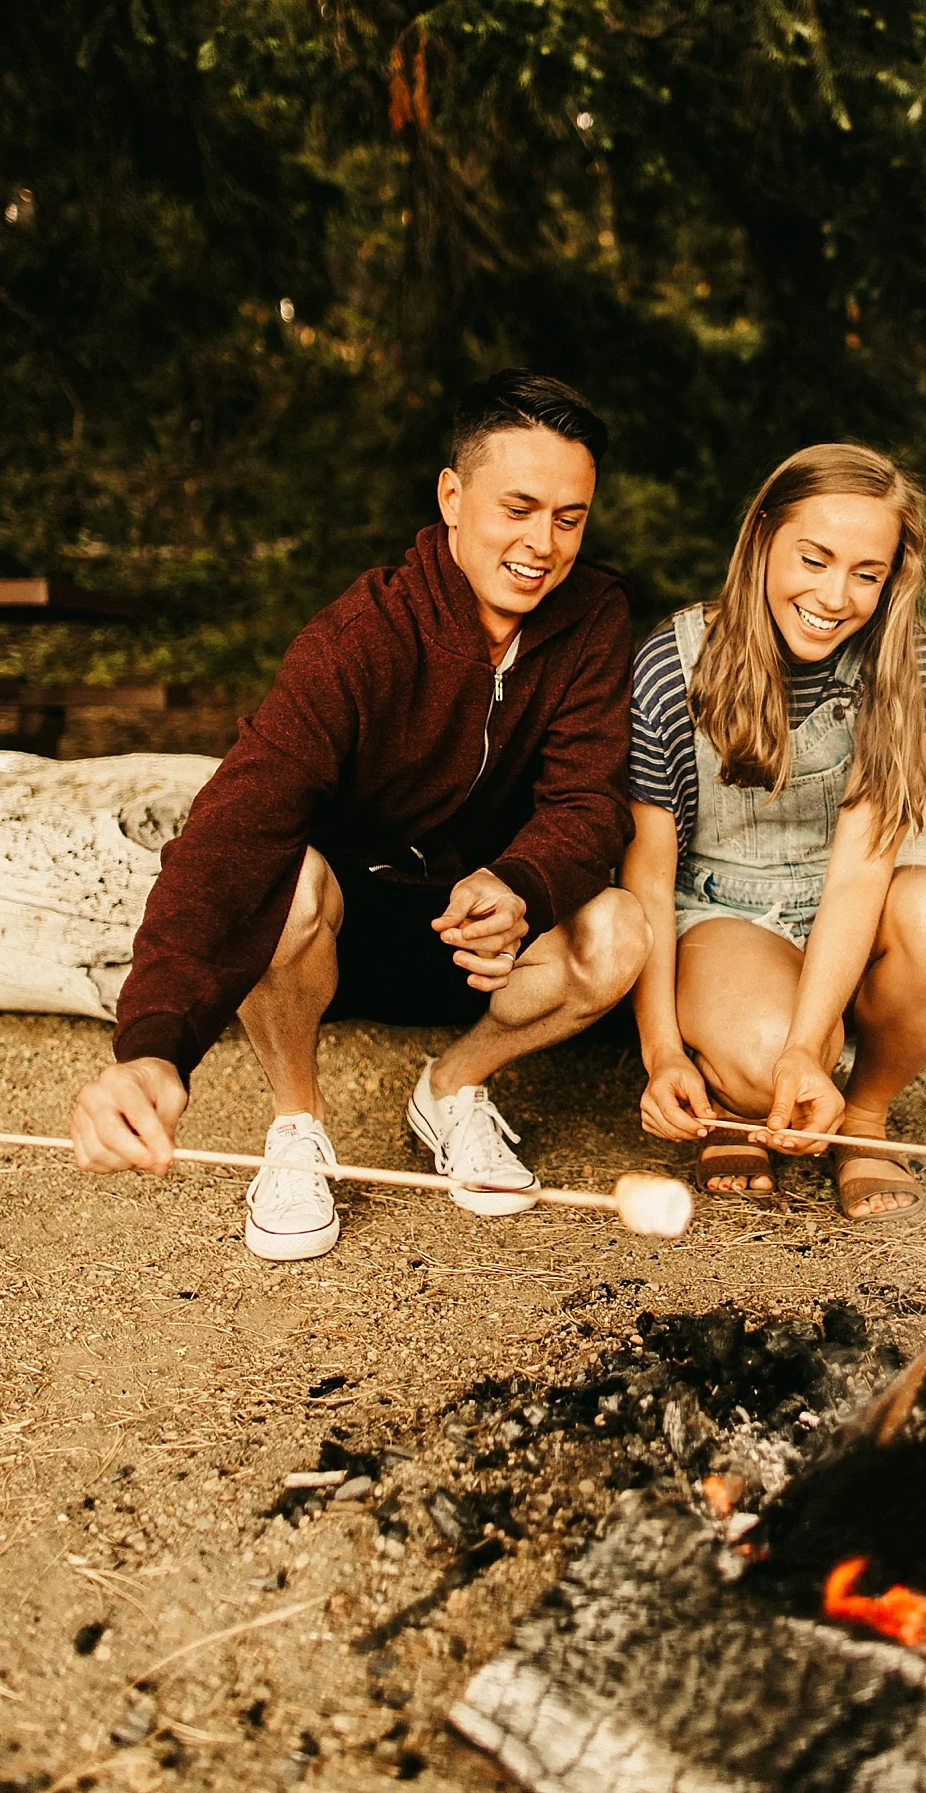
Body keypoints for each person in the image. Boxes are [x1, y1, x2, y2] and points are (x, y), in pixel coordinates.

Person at [69, 371, 650, 1259]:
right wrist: (153, 1045)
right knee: (287, 878)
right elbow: (232, 830)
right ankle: (297, 1129)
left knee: (619, 930)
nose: (543, 544)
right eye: (518, 508)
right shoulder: (361, 636)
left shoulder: (596, 617)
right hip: (338, 934)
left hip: (481, 934)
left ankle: (452, 1089)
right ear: (452, 497)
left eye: (568, 518)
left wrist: (522, 881)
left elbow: (588, 802)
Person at [622, 444, 926, 1218]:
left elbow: (861, 873)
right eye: (814, 559)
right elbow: (646, 879)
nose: (835, 595)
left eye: (867, 572)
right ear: (761, 538)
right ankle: (741, 1097)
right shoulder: (671, 661)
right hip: (720, 913)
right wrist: (663, 1054)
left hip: (837, 904)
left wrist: (806, 1045)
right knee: (763, 1063)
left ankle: (863, 1116)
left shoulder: (903, 661)